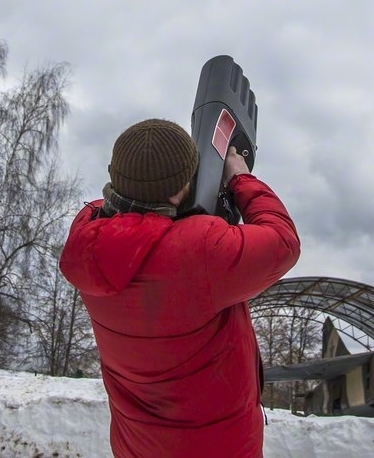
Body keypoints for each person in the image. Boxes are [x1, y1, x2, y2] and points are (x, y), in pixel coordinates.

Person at [60, 118, 300, 457]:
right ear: (178, 189)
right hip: (216, 447)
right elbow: (283, 243)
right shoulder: (199, 249)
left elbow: (120, 213)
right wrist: (239, 176)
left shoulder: (87, 241)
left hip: (136, 443)